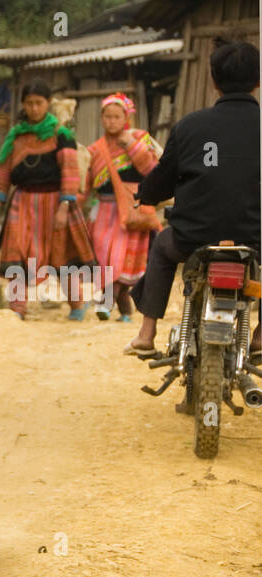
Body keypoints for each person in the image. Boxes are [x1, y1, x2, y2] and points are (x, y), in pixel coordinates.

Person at [126, 40, 261, 362]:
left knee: (161, 247)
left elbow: (163, 176)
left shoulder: (190, 126)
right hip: (256, 238)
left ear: (213, 81)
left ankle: (146, 333)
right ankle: (260, 336)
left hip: (193, 238)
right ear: (257, 80)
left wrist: (146, 194)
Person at [0, 80, 96, 320]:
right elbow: (4, 173)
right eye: (29, 103)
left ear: (48, 104)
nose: (34, 108)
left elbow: (69, 171)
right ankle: (18, 308)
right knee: (16, 251)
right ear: (23, 105)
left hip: (55, 202)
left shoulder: (61, 135)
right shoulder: (15, 136)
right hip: (22, 202)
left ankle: (77, 304)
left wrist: (64, 207)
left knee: (60, 254)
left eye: (39, 103)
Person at [83, 92, 162, 322]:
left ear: (126, 117)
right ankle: (126, 311)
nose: (112, 121)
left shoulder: (141, 138)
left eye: (117, 116)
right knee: (103, 259)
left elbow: (152, 170)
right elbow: (87, 183)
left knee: (118, 260)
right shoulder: (95, 149)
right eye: (107, 116)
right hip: (105, 211)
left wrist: (132, 146)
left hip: (133, 210)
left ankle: (105, 303)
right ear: (101, 118)